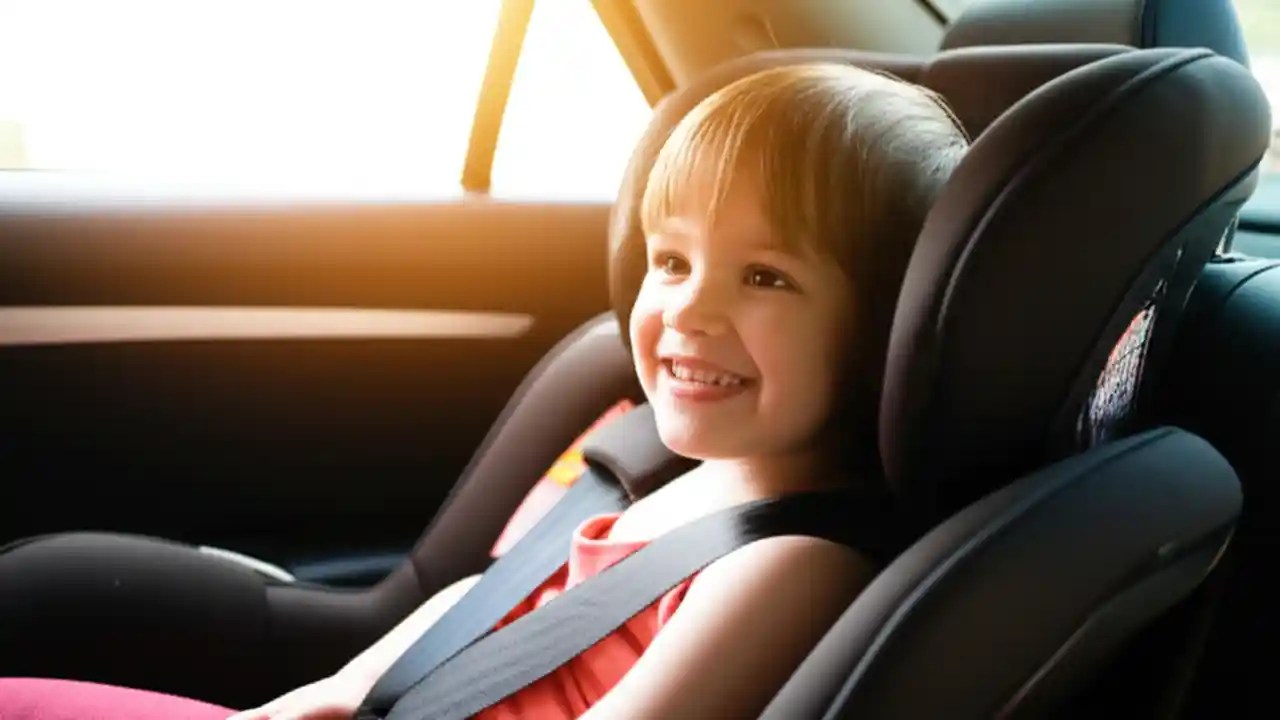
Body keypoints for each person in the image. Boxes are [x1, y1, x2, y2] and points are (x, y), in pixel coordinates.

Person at [0, 62, 968, 719]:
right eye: (669, 261)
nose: (687, 310)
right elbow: (498, 598)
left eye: (765, 277)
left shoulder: (790, 565)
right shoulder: (690, 469)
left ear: (884, 323)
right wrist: (335, 692)